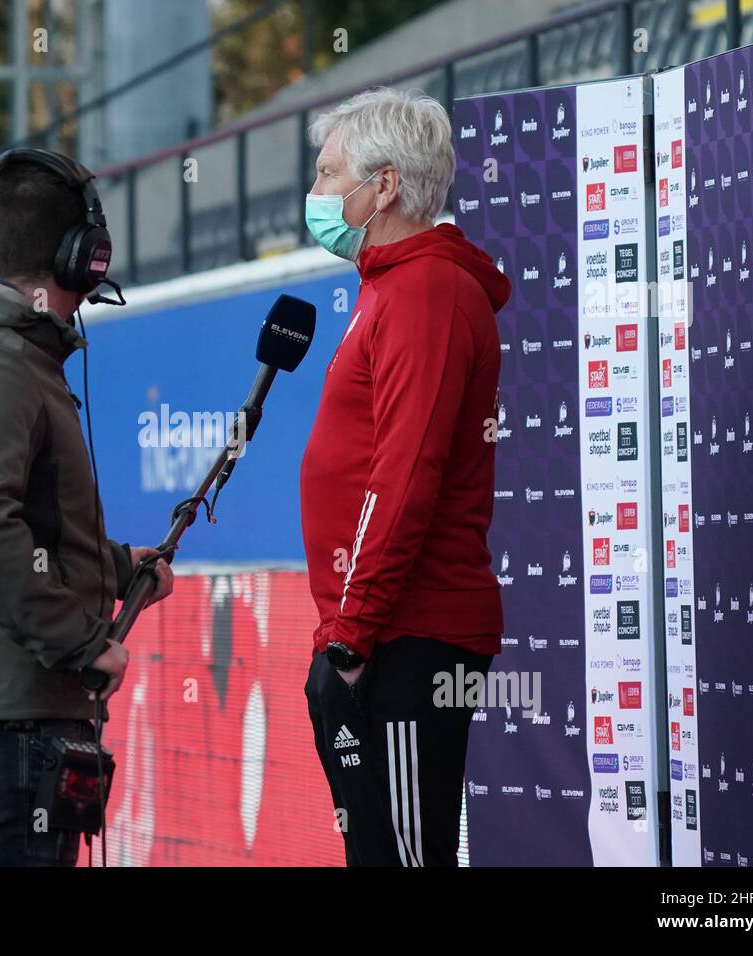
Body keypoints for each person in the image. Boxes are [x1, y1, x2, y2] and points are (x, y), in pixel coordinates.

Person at [0, 148, 173, 867]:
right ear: (80, 255)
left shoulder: (7, 356)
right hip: (2, 722)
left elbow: (21, 518)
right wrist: (81, 645)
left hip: (11, 717)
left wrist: (111, 566)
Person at [298, 88, 510, 866]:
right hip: (381, 632)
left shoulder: (425, 289)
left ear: (383, 186)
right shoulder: (392, 285)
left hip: (406, 637)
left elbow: (405, 473)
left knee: (405, 862)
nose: (315, 196)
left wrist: (351, 633)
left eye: (328, 175)